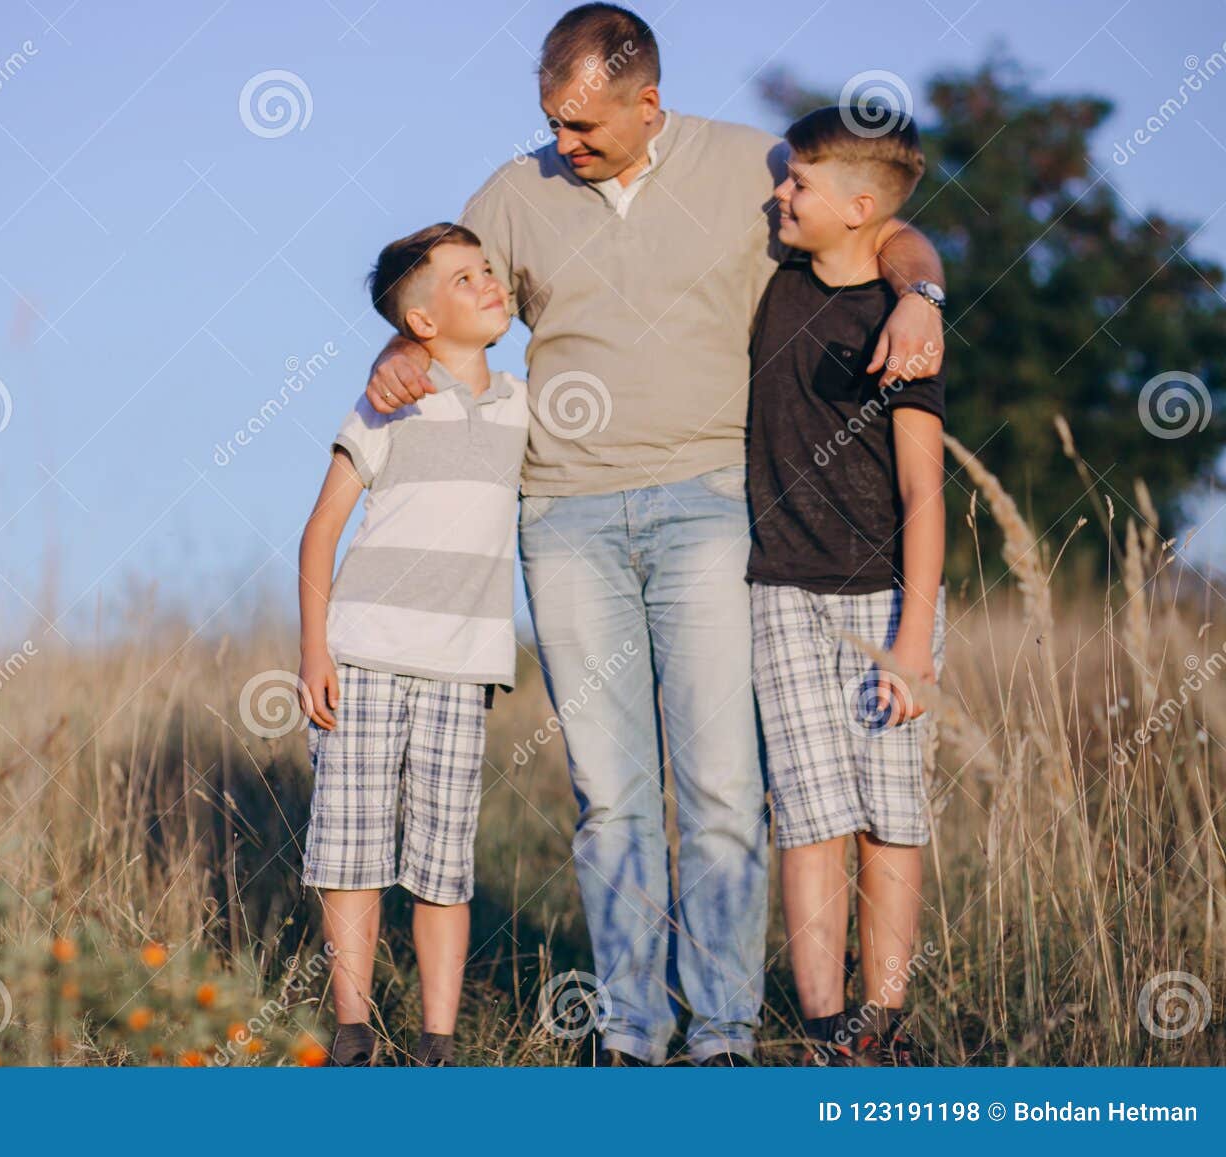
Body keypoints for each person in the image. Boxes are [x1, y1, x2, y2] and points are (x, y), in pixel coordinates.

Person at [365, 3, 946, 1065]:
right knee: (611, 796)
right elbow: (438, 296)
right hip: (566, 516)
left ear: (649, 104)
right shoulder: (514, 193)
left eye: (584, 124)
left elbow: (880, 225)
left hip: (712, 506)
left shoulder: (750, 168)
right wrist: (394, 355)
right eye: (552, 118)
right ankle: (633, 1030)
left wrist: (924, 293)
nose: (563, 141)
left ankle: (722, 1033)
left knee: (723, 786)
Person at [297, 223, 526, 1066]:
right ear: (422, 321)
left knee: (443, 863)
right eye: (464, 279)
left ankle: (437, 1042)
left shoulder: (523, 403)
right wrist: (314, 652)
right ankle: (353, 1032)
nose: (490, 283)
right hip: (362, 654)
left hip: (462, 670)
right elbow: (321, 529)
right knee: (352, 849)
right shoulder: (386, 400)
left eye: (488, 269)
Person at [745, 106, 946, 1066]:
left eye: (799, 184)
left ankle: (883, 1020)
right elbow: (911, 243)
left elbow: (923, 488)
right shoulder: (774, 288)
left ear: (860, 207)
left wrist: (913, 639)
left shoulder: (899, 324)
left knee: (890, 819)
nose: (780, 195)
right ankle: (825, 1027)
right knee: (810, 814)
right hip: (781, 589)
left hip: (886, 602)